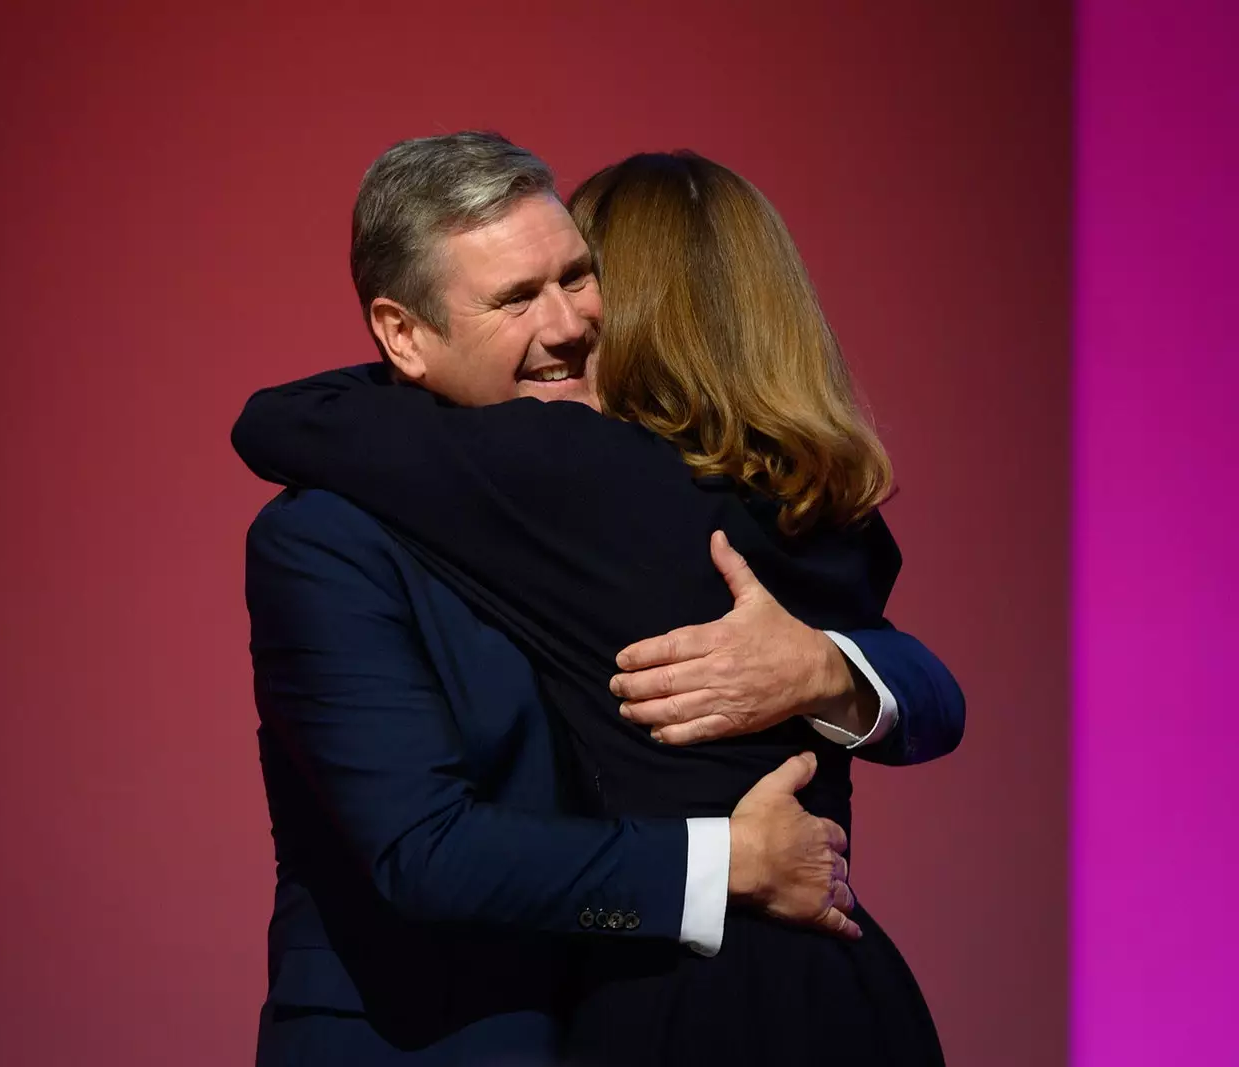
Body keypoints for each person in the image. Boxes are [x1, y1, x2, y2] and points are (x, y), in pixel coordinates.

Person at [238, 133, 963, 1065]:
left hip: (678, 1010)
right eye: (513, 298)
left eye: (580, 277)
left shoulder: (639, 488)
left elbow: (919, 680)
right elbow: (421, 850)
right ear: (404, 333)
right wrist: (725, 862)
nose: (569, 323)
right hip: (444, 1036)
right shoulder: (327, 539)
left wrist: (826, 669)